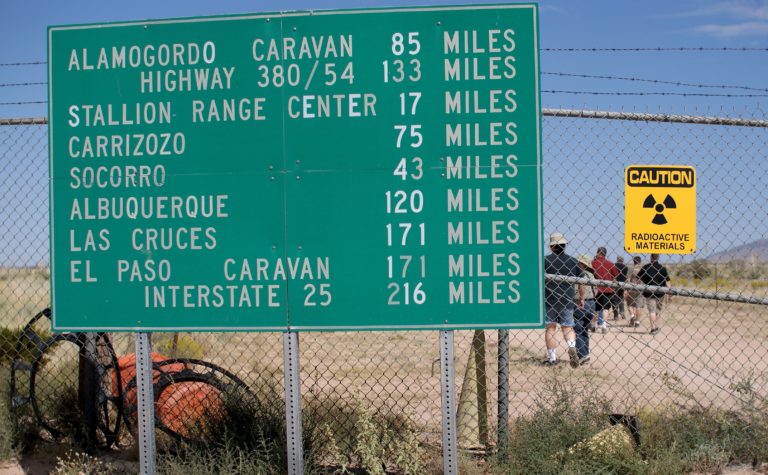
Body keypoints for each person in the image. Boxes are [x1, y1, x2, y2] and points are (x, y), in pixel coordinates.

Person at [543, 232, 582, 367]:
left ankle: (552, 358)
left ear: (551, 247)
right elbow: (581, 280)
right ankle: (571, 346)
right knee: (568, 327)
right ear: (564, 246)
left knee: (550, 328)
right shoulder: (572, 260)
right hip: (567, 299)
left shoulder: (545, 260)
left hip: (549, 299)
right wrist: (580, 297)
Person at [637, 253, 670, 335]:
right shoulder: (662, 268)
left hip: (649, 292)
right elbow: (668, 282)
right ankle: (656, 326)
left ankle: (653, 328)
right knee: (657, 311)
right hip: (660, 292)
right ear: (658, 257)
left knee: (652, 311)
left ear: (650, 257)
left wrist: (641, 285)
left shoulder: (645, 267)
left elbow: (638, 279)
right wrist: (669, 292)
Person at [574, 255, 596, 365]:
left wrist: (580, 299)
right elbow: (596, 290)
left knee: (577, 329)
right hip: (592, 302)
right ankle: (586, 353)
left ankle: (582, 355)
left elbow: (576, 289)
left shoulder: (578, 274)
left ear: (582, 264)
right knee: (584, 330)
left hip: (580, 302)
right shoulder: (591, 275)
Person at [592, 247, 619, 333]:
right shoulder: (610, 264)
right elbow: (616, 274)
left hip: (596, 289)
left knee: (596, 308)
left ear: (599, 252)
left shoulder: (593, 263)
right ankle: (603, 325)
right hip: (608, 289)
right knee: (605, 308)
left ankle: (594, 325)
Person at [626, 256, 644, 327]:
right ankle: (637, 321)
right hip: (640, 289)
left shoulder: (631, 268)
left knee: (629, 304)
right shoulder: (643, 269)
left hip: (631, 288)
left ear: (633, 261)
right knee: (638, 306)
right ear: (640, 261)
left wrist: (627, 289)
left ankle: (632, 316)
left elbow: (628, 279)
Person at [614, 256, 629, 321]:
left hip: (615, 284)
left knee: (615, 300)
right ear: (622, 260)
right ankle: (622, 311)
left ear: (617, 260)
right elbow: (625, 276)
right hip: (622, 284)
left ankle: (616, 314)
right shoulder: (625, 267)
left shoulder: (614, 266)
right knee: (621, 298)